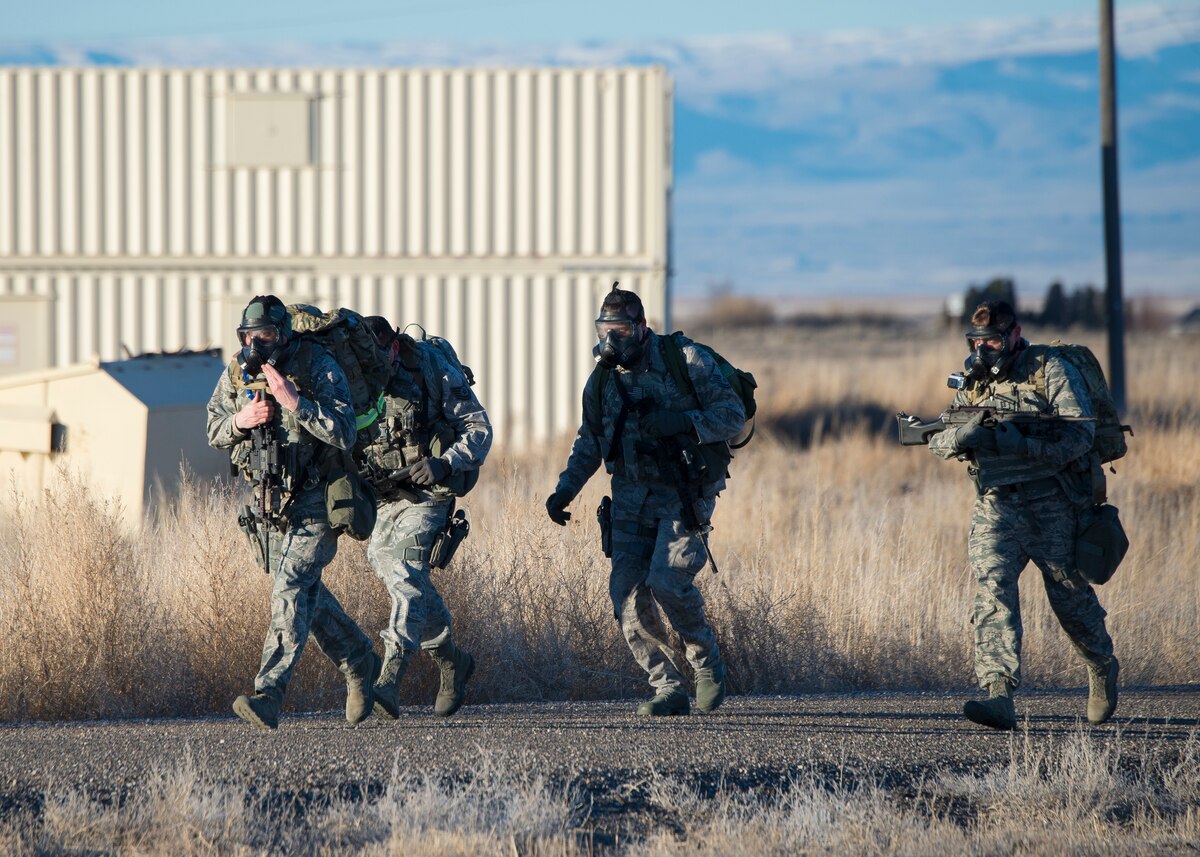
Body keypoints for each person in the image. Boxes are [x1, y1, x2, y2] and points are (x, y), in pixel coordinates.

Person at [545, 285, 746, 716]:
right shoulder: (602, 380)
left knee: (668, 581)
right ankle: (667, 687)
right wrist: (565, 489)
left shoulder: (685, 360)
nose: (610, 339)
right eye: (604, 330)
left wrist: (683, 422)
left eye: (620, 330)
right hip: (630, 498)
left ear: (641, 327)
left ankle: (706, 662)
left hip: (684, 494)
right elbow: (590, 440)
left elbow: (733, 415)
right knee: (626, 594)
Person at [929, 300, 1119, 730]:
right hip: (996, 505)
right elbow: (938, 440)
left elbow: (1080, 435)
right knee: (992, 590)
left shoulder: (1050, 369)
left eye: (993, 342)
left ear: (1014, 335)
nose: (983, 350)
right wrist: (963, 437)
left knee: (1069, 597)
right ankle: (998, 694)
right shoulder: (974, 382)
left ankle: (1101, 664)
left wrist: (1023, 446)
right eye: (976, 342)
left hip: (1052, 503)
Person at [206, 295, 380, 731]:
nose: (255, 345)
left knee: (289, 588)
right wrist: (241, 420)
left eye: (264, 335)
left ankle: (269, 694)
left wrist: (295, 401)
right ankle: (359, 659)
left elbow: (344, 431)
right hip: (272, 501)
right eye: (248, 336)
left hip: (318, 497)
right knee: (307, 598)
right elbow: (213, 429)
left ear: (282, 334)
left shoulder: (317, 364)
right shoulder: (237, 372)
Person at [358, 316, 493, 718]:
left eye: (378, 357)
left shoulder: (431, 368)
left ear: (394, 347)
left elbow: (478, 427)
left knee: (405, 571)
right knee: (384, 561)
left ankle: (390, 677)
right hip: (388, 494)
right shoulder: (355, 373)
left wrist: (445, 463)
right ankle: (452, 660)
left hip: (430, 492)